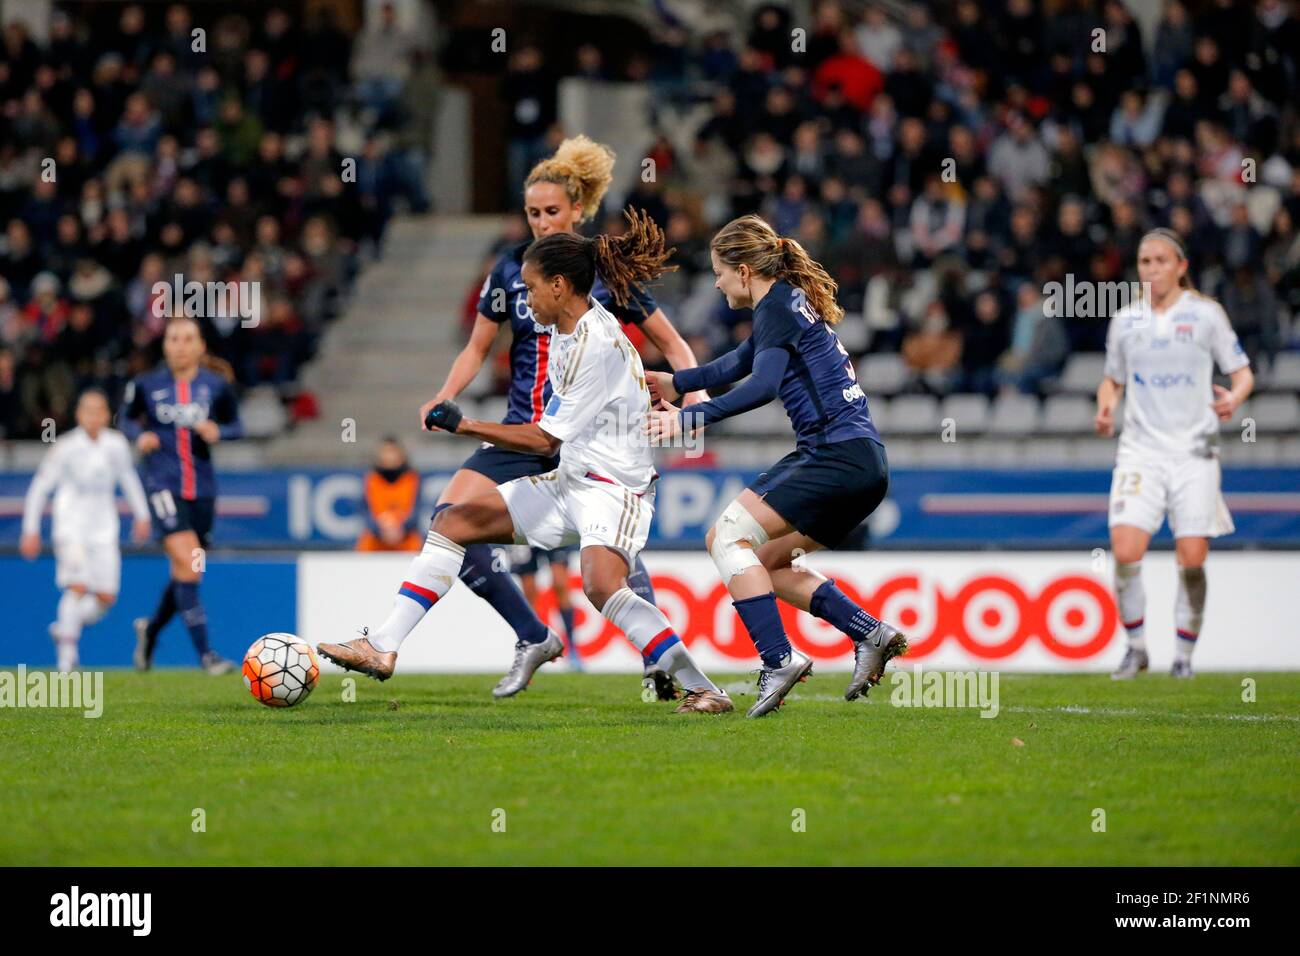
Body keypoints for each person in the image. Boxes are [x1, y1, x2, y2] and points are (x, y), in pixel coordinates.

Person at [319, 211, 732, 713]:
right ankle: (382, 645)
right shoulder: (566, 327)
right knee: (453, 522)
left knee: (601, 586)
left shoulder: (591, 341)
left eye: (532, 288)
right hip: (570, 480)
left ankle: (704, 688)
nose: (526, 297)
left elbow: (540, 439)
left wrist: (464, 424)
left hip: (613, 488)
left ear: (559, 286)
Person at [416, 134, 703, 700]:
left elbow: (675, 346)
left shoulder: (603, 270)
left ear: (578, 211)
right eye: (532, 213)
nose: (542, 222)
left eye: (552, 212)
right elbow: (477, 347)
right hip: (523, 428)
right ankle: (532, 635)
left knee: (609, 557)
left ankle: (659, 663)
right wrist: (443, 395)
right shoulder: (510, 270)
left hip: (588, 434)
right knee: (450, 518)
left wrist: (690, 403)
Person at [646, 214, 908, 717]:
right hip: (862, 462)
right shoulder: (788, 304)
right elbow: (740, 362)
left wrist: (689, 418)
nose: (716, 280)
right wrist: (676, 383)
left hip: (834, 455)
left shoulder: (778, 308)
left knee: (724, 537)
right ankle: (871, 634)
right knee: (766, 564)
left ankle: (779, 659)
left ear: (744, 271)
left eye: (720, 270)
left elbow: (762, 386)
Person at [1095, 228, 1254, 679]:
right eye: (1144, 262)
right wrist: (1106, 407)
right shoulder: (1126, 321)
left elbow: (1242, 373)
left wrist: (1234, 399)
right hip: (1140, 451)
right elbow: (1113, 379)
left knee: (1192, 557)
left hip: (1194, 453)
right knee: (1125, 550)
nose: (1151, 270)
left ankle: (1183, 655)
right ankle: (1137, 647)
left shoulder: (1206, 316)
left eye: (1160, 261)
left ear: (1181, 267)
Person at [118, 316, 244, 674]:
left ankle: (151, 630)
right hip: (162, 485)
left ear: (201, 346)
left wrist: (219, 431)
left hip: (202, 491)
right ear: (165, 345)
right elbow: (124, 419)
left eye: (188, 338)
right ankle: (208, 656)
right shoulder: (146, 384)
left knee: (188, 571)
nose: (180, 345)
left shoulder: (215, 386)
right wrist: (138, 435)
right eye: (174, 338)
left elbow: (238, 425)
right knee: (189, 564)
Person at [20, 389, 150, 672]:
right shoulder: (65, 446)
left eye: (99, 410)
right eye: (87, 410)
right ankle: (67, 659)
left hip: (104, 530)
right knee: (77, 587)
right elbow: (40, 488)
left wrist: (142, 514)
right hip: (71, 528)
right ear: (79, 414)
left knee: (106, 598)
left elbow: (128, 478)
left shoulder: (116, 444)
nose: (93, 416)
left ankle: (67, 626)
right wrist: (30, 529)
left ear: (106, 414)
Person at [514, 545, 582, 669]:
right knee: (529, 591)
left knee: (560, 584)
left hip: (551, 527)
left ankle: (572, 648)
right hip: (522, 531)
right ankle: (535, 647)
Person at [356, 436, 422, 551]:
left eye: (392, 451)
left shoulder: (412, 479)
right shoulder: (371, 480)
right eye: (385, 452)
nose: (389, 456)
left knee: (416, 545)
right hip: (376, 538)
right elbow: (366, 513)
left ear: (401, 455)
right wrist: (380, 530)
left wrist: (402, 529)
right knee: (364, 545)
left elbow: (416, 512)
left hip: (405, 538)